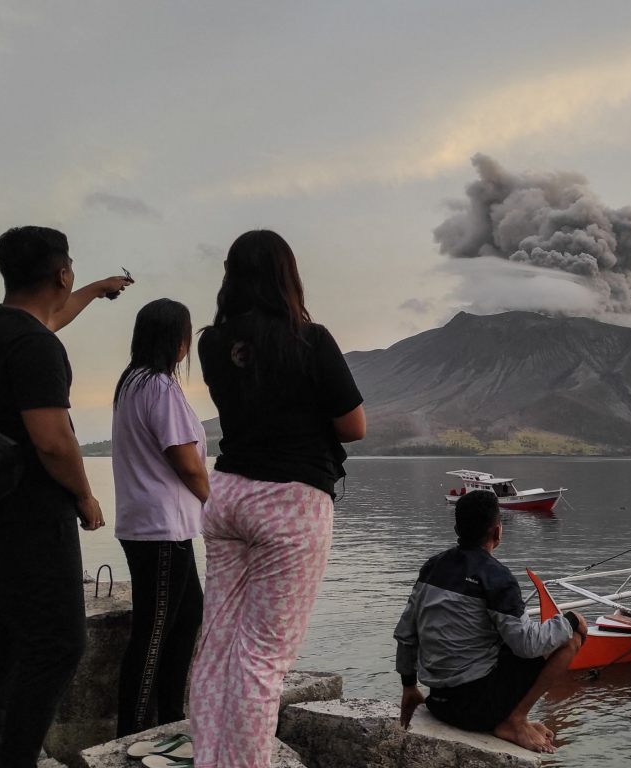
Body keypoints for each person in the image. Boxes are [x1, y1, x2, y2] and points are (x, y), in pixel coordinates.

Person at [189, 229, 365, 768]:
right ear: (287, 276)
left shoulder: (211, 343)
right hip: (290, 502)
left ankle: (210, 760)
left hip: (227, 493)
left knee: (217, 643)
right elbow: (353, 426)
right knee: (263, 658)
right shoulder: (310, 340)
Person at [0, 226, 131, 767]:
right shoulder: (36, 346)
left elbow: (51, 317)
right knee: (59, 643)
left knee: (3, 630)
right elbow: (54, 442)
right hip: (31, 512)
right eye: (72, 268)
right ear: (61, 273)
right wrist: (86, 497)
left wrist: (98, 289)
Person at [394, 490, 587, 754]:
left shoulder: (432, 567)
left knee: (500, 638)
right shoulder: (496, 577)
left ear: (457, 529)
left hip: (438, 703)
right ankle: (515, 721)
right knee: (570, 639)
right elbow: (527, 646)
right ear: (497, 532)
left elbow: (406, 633)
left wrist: (409, 686)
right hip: (476, 711)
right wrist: (571, 620)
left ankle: (514, 718)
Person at [112, 298, 208, 737]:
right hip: (160, 527)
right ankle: (131, 735)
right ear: (177, 341)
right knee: (153, 634)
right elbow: (186, 461)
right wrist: (215, 503)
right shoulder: (160, 387)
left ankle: (171, 720)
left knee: (187, 617)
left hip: (151, 523)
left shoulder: (132, 382)